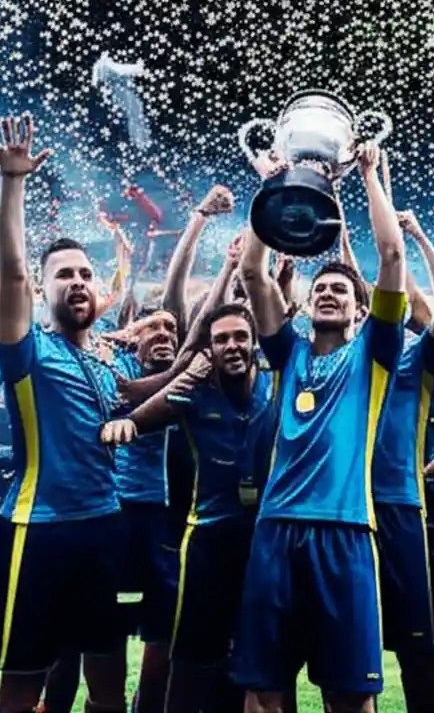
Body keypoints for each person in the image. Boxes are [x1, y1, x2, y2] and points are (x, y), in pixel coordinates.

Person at [231, 141, 407, 713]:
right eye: (321, 288)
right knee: (265, 690)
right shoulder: (287, 352)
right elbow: (253, 270)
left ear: (361, 310)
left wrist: (370, 175)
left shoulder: (376, 355)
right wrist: (273, 187)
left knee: (350, 696)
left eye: (343, 290)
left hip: (347, 531)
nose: (330, 291)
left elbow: (390, 256)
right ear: (304, 305)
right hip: (276, 528)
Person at [0, 114, 128, 713]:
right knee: (24, 683)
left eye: (86, 274)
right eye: (64, 273)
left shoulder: (104, 359)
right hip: (38, 530)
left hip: (105, 525)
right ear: (42, 291)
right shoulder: (27, 349)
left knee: (109, 685)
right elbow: (12, 270)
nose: (78, 281)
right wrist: (12, 183)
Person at [101, 301, 276, 713]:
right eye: (221, 339)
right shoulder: (193, 393)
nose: (231, 346)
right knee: (191, 661)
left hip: (265, 541)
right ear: (208, 349)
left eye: (239, 337)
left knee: (264, 660)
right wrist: (131, 423)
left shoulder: (278, 384)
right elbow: (147, 413)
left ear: (254, 343)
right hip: (206, 544)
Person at [369, 210, 434, 713]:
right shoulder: (342, 364)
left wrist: (418, 237)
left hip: (403, 515)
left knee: (419, 653)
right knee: (338, 653)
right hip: (345, 519)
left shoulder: (418, 360)